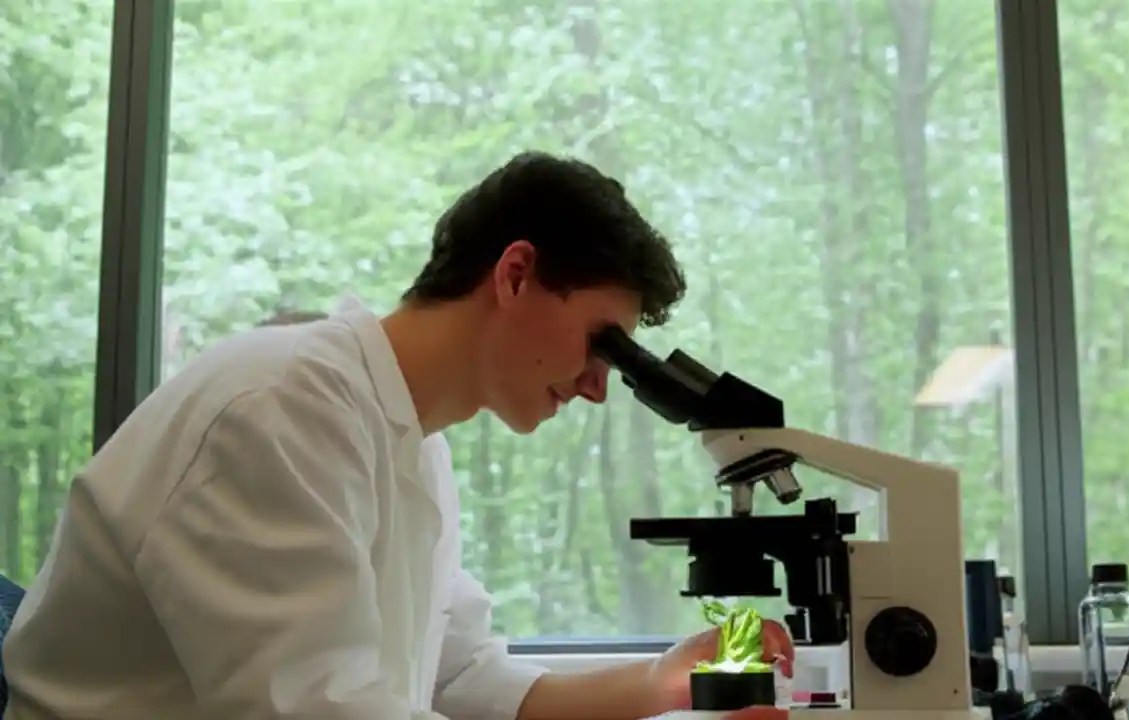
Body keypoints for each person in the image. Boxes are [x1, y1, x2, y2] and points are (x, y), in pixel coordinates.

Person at [1, 151, 793, 720]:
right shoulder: (285, 405)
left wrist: (660, 682)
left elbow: (461, 678)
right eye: (603, 343)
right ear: (515, 275)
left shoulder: (412, 441)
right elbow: (322, 712)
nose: (596, 387)